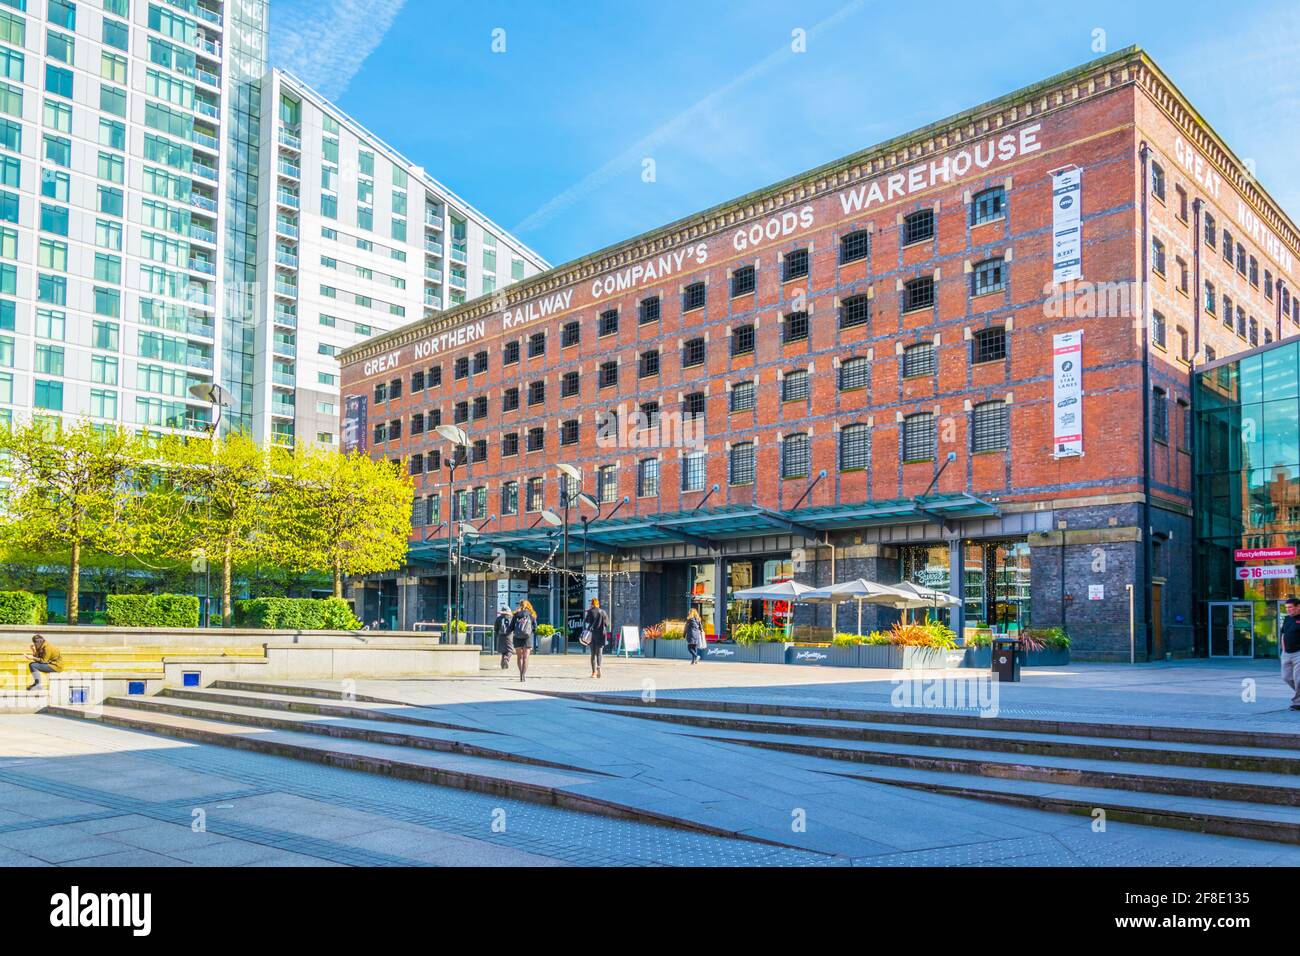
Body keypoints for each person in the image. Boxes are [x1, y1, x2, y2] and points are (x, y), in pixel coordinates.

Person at [583, 598, 610, 679]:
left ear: (592, 604)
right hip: (601, 635)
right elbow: (607, 624)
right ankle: (599, 667)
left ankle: (594, 673)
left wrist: (588, 611)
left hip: (592, 635)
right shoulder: (603, 612)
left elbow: (586, 621)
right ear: (598, 604)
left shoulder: (590, 611)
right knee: (599, 653)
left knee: (593, 654)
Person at [1281, 596, 1300, 710]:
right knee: (1286, 677)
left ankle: (1297, 702)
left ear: (1298, 607)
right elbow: (1283, 634)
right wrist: (1283, 651)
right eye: (1286, 608)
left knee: (1298, 679)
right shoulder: (1287, 619)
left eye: (1290, 607)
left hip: (1299, 653)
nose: (1288, 610)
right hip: (1286, 653)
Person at [511, 600, 536, 682]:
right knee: (526, 657)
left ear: (520, 605)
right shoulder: (532, 615)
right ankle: (523, 674)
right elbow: (535, 627)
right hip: (527, 638)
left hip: (517, 637)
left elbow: (511, 627)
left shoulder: (516, 614)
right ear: (528, 605)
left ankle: (520, 673)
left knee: (519, 657)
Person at [494, 605, 514, 670]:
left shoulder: (498, 618)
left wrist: (497, 634)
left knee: (503, 651)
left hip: (501, 635)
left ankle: (503, 665)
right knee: (510, 650)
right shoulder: (511, 617)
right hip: (509, 635)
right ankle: (506, 659)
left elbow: (496, 628)